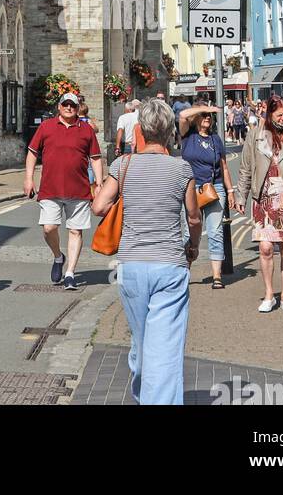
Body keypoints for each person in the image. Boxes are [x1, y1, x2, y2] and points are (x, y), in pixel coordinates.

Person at [92, 97, 199, 406]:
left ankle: (143, 396)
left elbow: (99, 206)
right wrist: (192, 246)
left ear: (139, 129)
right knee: (163, 349)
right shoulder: (181, 169)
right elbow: (193, 216)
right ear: (169, 132)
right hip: (169, 263)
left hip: (130, 265)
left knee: (141, 342)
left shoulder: (122, 165)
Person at [235, 95, 283, 312]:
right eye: (280, 115)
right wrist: (241, 196)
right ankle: (269, 294)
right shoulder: (255, 135)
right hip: (264, 196)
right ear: (270, 115)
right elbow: (246, 168)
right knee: (265, 247)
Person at [25, 91, 103, 290]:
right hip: (50, 188)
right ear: (59, 107)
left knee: (75, 230)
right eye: (65, 104)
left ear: (77, 108)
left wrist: (100, 183)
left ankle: (70, 273)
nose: (69, 108)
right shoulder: (46, 126)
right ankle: (58, 257)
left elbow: (94, 157)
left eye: (73, 105)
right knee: (49, 227)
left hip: (79, 189)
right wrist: (28, 179)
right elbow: (32, 153)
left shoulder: (86, 130)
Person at [178, 104, 238, 287]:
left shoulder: (215, 140)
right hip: (191, 189)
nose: (207, 118)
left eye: (210, 116)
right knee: (188, 233)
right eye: (204, 115)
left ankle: (216, 276)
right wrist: (204, 107)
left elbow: (224, 167)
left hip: (215, 188)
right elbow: (182, 115)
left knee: (215, 232)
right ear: (196, 118)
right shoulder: (188, 136)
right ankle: (184, 274)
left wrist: (230, 191)